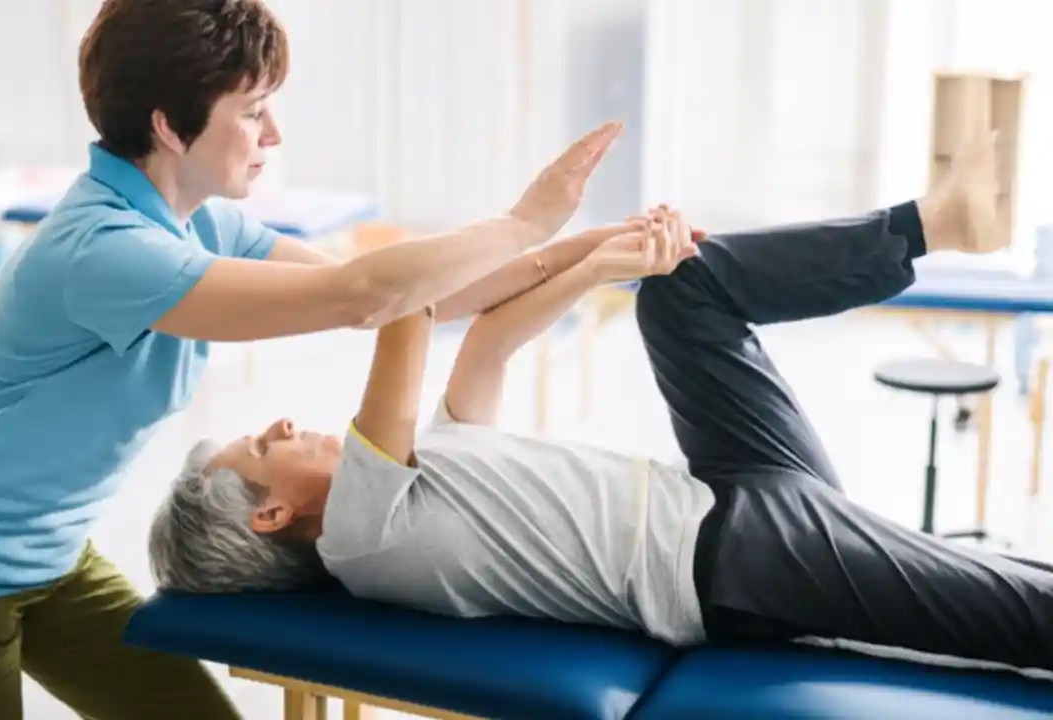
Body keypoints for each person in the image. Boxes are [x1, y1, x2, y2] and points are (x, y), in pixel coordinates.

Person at [0, 1, 632, 718]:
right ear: (167, 125)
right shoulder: (104, 252)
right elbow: (362, 295)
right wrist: (521, 222)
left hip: (47, 553)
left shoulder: (199, 225)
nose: (274, 134)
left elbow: (406, 298)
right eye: (253, 111)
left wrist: (590, 250)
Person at [150, 135, 1053, 674]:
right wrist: (527, 229)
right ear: (272, 516)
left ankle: (930, 223)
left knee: (682, 288)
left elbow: (492, 340)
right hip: (733, 564)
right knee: (1009, 610)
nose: (275, 424)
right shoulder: (358, 536)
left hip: (732, 490)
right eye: (257, 448)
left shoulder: (414, 485)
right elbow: (407, 311)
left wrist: (610, 262)